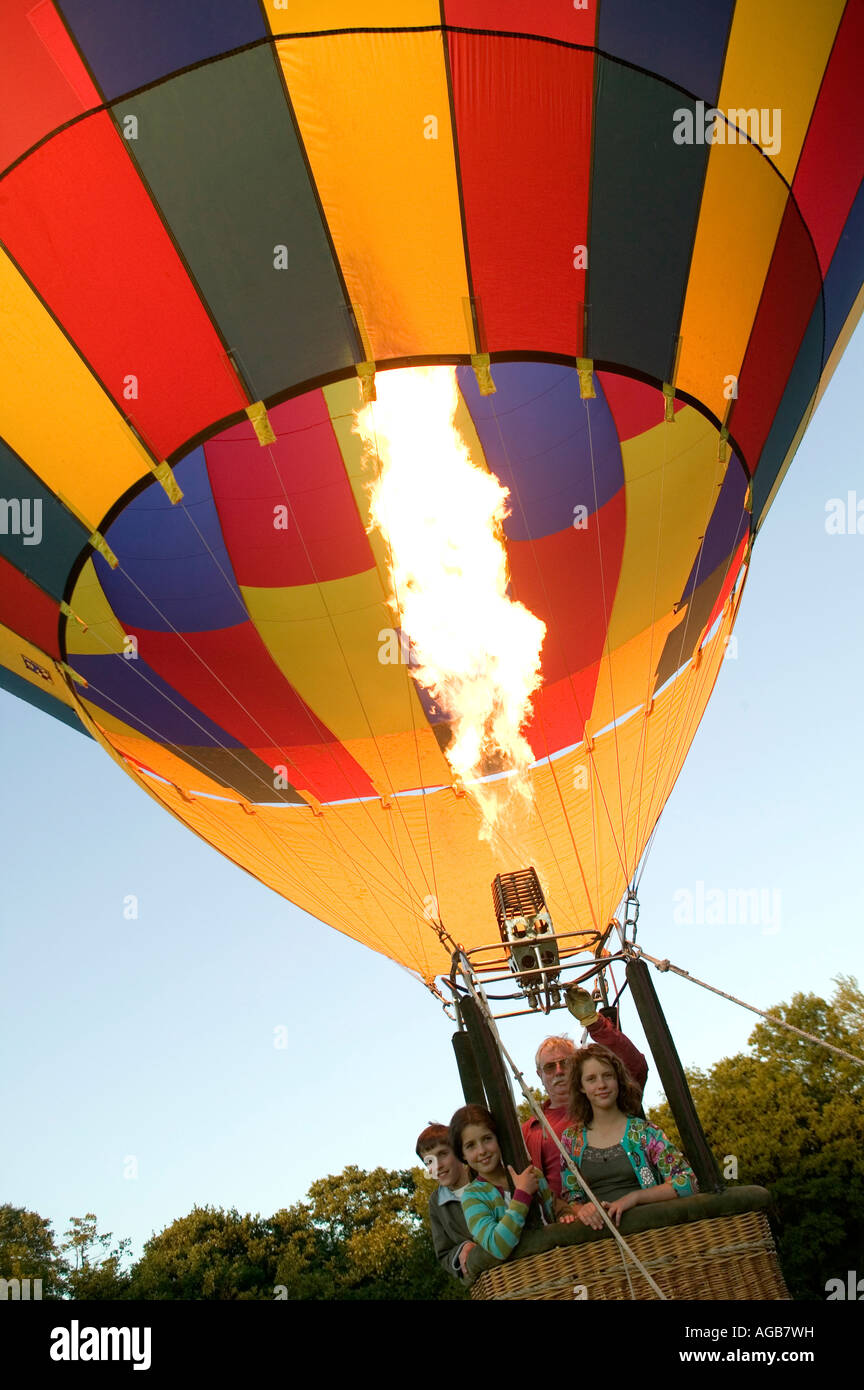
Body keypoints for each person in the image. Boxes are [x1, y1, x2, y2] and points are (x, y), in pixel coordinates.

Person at [522, 987, 648, 1195]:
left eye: (565, 1063)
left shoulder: (606, 1101)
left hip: (625, 1201)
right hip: (567, 1212)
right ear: (540, 1075)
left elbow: (635, 1067)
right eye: (550, 1067)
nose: (559, 1071)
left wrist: (595, 1023)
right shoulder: (530, 1130)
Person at [559, 1043, 696, 1229]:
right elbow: (571, 1198)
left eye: (608, 1076)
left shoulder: (645, 1132)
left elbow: (687, 1181)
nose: (601, 1085)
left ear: (618, 1079)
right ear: (581, 1087)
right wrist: (582, 1209)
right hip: (598, 1239)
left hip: (651, 1232)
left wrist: (635, 1198)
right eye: (591, 1079)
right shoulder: (571, 1140)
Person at [449, 1104, 555, 1261]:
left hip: (558, 1263)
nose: (482, 1151)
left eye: (487, 1139)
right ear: (462, 1154)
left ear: (498, 1138)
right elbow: (498, 1247)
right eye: (471, 1146)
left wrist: (566, 1213)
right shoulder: (472, 1197)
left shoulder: (533, 1175)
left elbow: (554, 1214)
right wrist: (522, 1195)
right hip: (522, 1273)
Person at [415, 1122, 475, 1280]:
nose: (438, 1166)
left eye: (442, 1154)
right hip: (484, 1280)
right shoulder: (436, 1203)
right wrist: (463, 1250)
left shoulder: (484, 1179)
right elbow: (444, 1253)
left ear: (459, 1152)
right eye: (429, 1162)